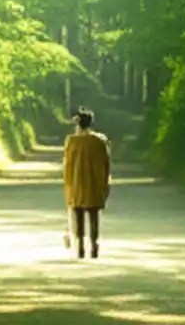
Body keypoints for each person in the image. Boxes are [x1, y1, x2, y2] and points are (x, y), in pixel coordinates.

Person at [62, 107, 111, 259]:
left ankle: (81, 246)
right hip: (95, 185)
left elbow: (67, 165)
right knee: (94, 216)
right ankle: (94, 245)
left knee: (79, 217)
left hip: (77, 185)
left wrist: (68, 186)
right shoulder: (100, 141)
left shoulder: (71, 142)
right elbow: (106, 165)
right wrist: (106, 184)